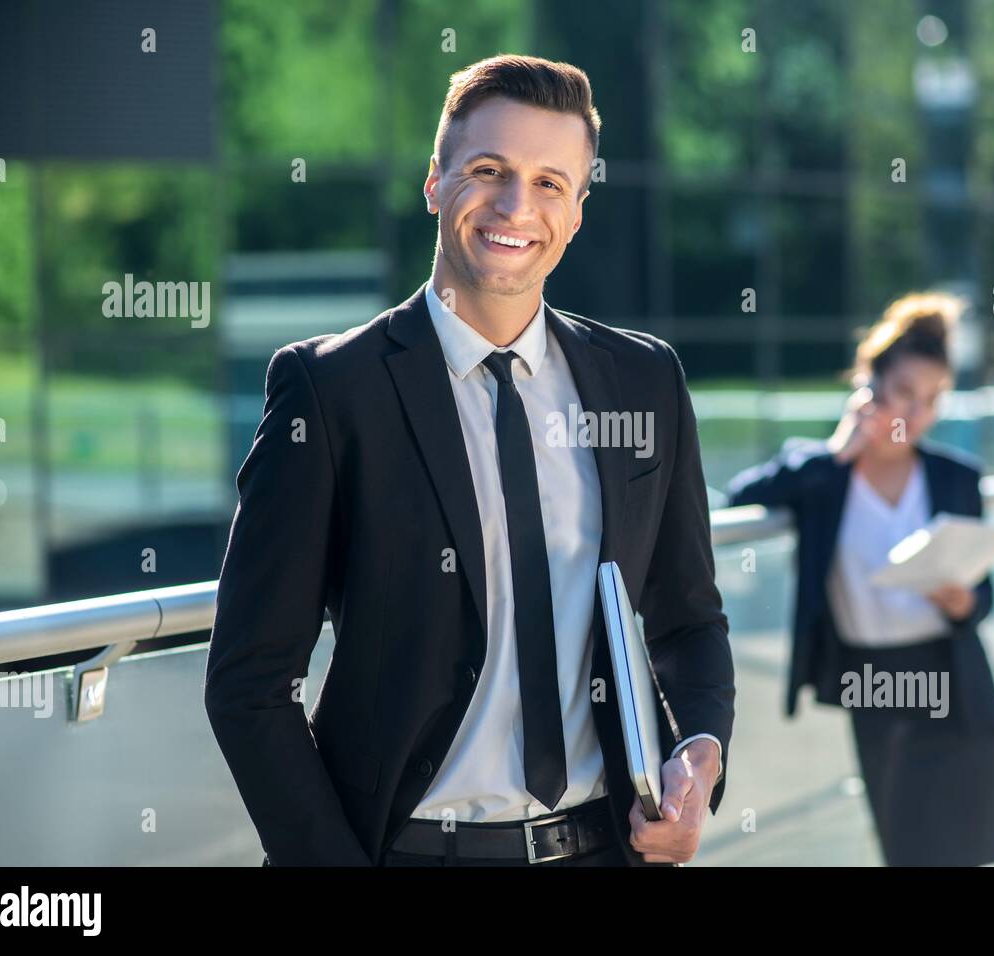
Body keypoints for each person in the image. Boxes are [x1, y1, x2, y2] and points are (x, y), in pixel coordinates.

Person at [204, 54, 734, 867]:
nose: (516, 205)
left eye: (551, 182)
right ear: (434, 182)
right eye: (489, 170)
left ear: (579, 209)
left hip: (604, 848)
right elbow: (249, 683)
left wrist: (700, 752)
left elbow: (687, 618)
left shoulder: (644, 380)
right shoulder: (330, 390)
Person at [726, 292, 994, 866]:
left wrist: (963, 600)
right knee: (907, 848)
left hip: (954, 677)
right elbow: (741, 499)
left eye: (933, 399)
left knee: (977, 848)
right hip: (873, 682)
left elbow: (985, 595)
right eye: (906, 392)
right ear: (869, 385)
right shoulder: (825, 476)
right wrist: (837, 451)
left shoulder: (955, 477)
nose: (919, 412)